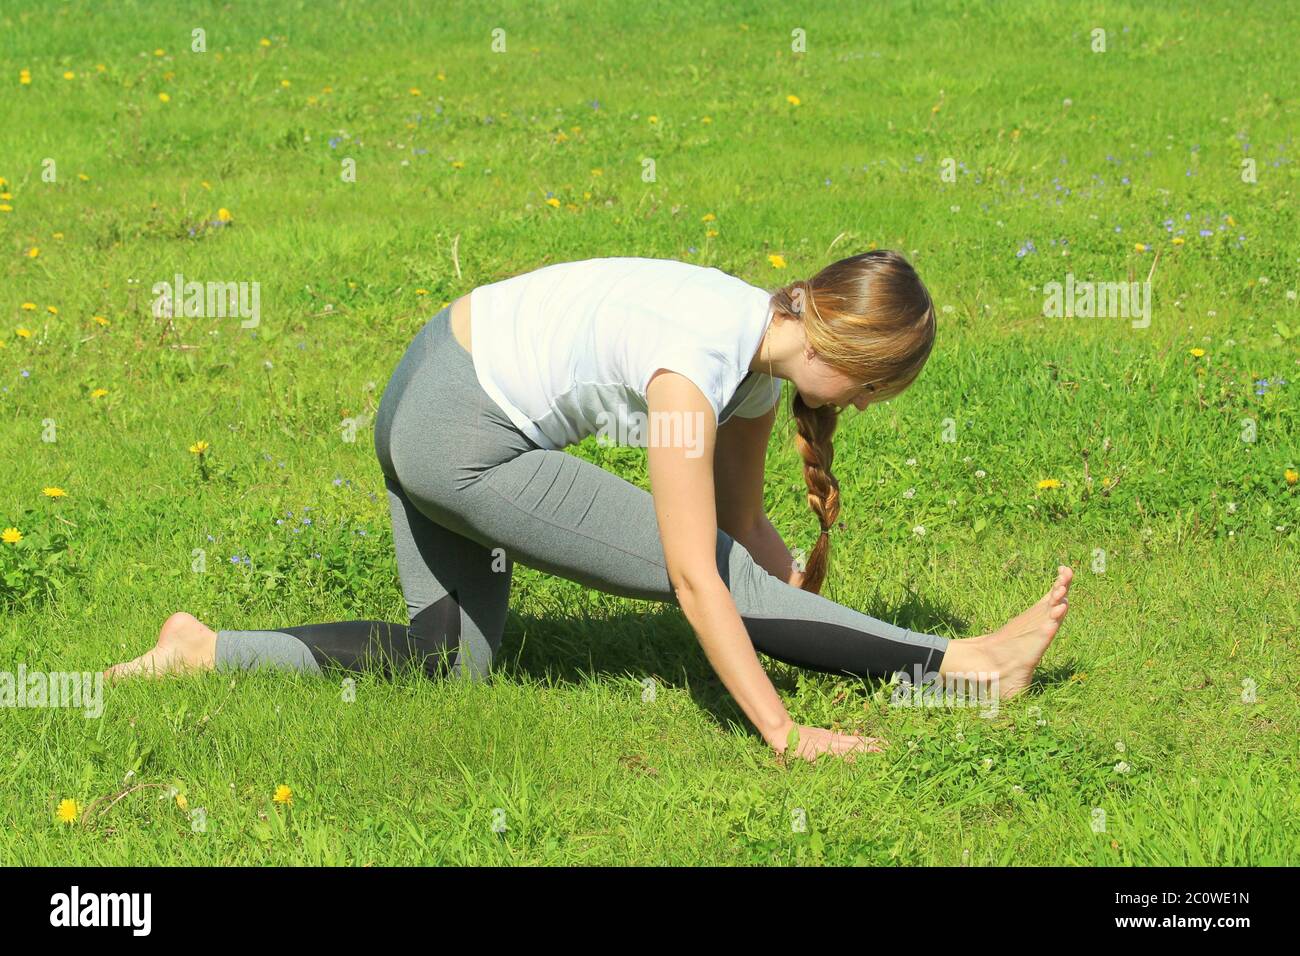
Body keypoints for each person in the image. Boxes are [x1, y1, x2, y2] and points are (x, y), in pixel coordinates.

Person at [106, 251, 1073, 763]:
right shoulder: (693, 367)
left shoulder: (755, 348)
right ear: (845, 358)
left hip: (420, 390)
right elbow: (701, 576)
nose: (860, 411)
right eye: (871, 394)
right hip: (460, 437)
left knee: (448, 667)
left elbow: (743, 531)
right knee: (697, 571)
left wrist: (801, 603)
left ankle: (203, 649)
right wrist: (785, 731)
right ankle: (962, 669)